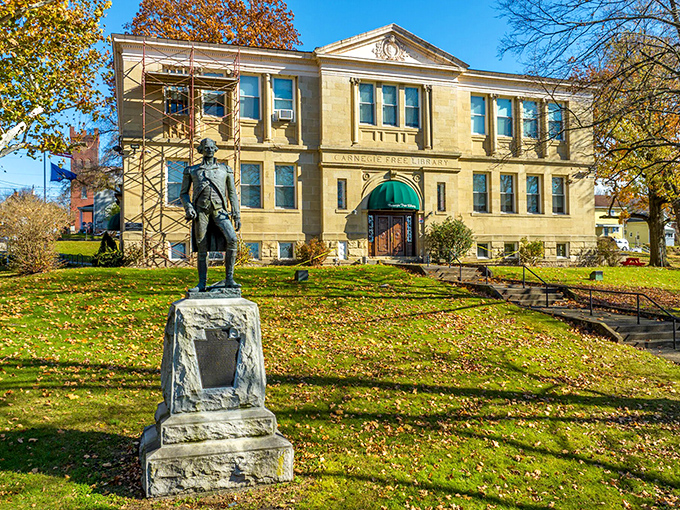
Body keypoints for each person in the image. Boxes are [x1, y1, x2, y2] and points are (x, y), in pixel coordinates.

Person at [180, 138, 241, 292]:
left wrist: (237, 214)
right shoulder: (192, 170)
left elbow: (232, 194)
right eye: (205, 147)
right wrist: (188, 208)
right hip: (201, 212)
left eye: (211, 147)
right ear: (201, 149)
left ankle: (229, 279)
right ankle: (202, 283)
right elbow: (184, 194)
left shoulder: (225, 170)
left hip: (220, 211)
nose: (209, 150)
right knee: (202, 246)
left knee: (232, 239)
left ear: (215, 149)